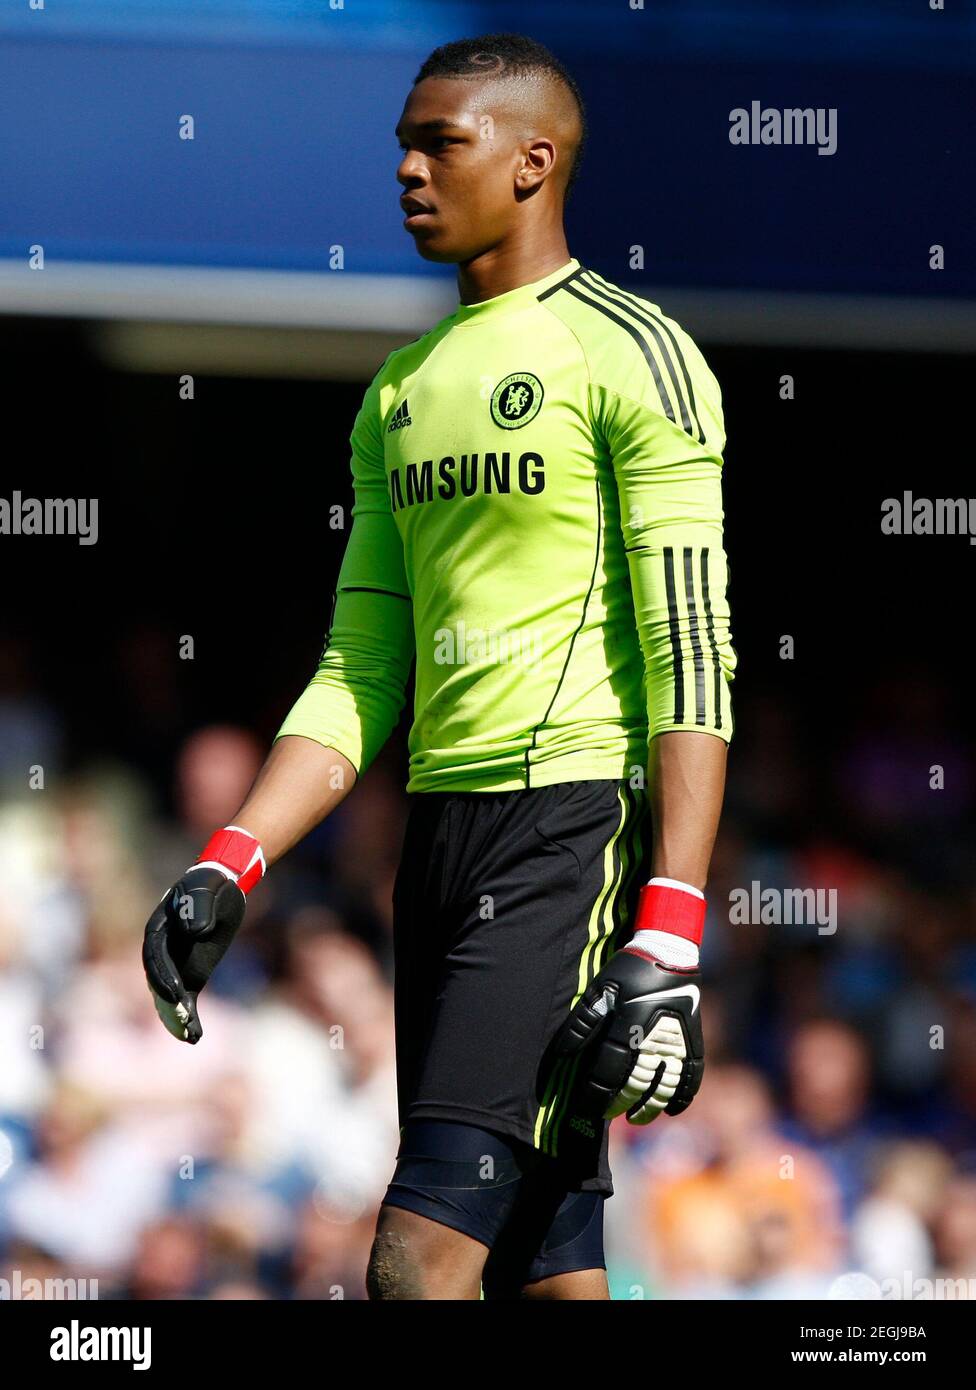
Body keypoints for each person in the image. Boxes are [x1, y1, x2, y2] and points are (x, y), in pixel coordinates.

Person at [142, 32, 736, 1301]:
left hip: (568, 831)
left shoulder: (633, 350)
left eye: (437, 144)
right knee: (541, 1263)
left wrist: (674, 930)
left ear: (533, 162)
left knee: (415, 1263)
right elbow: (360, 664)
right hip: (438, 844)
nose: (406, 171)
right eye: (402, 146)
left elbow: (695, 647)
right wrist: (229, 857)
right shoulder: (397, 391)